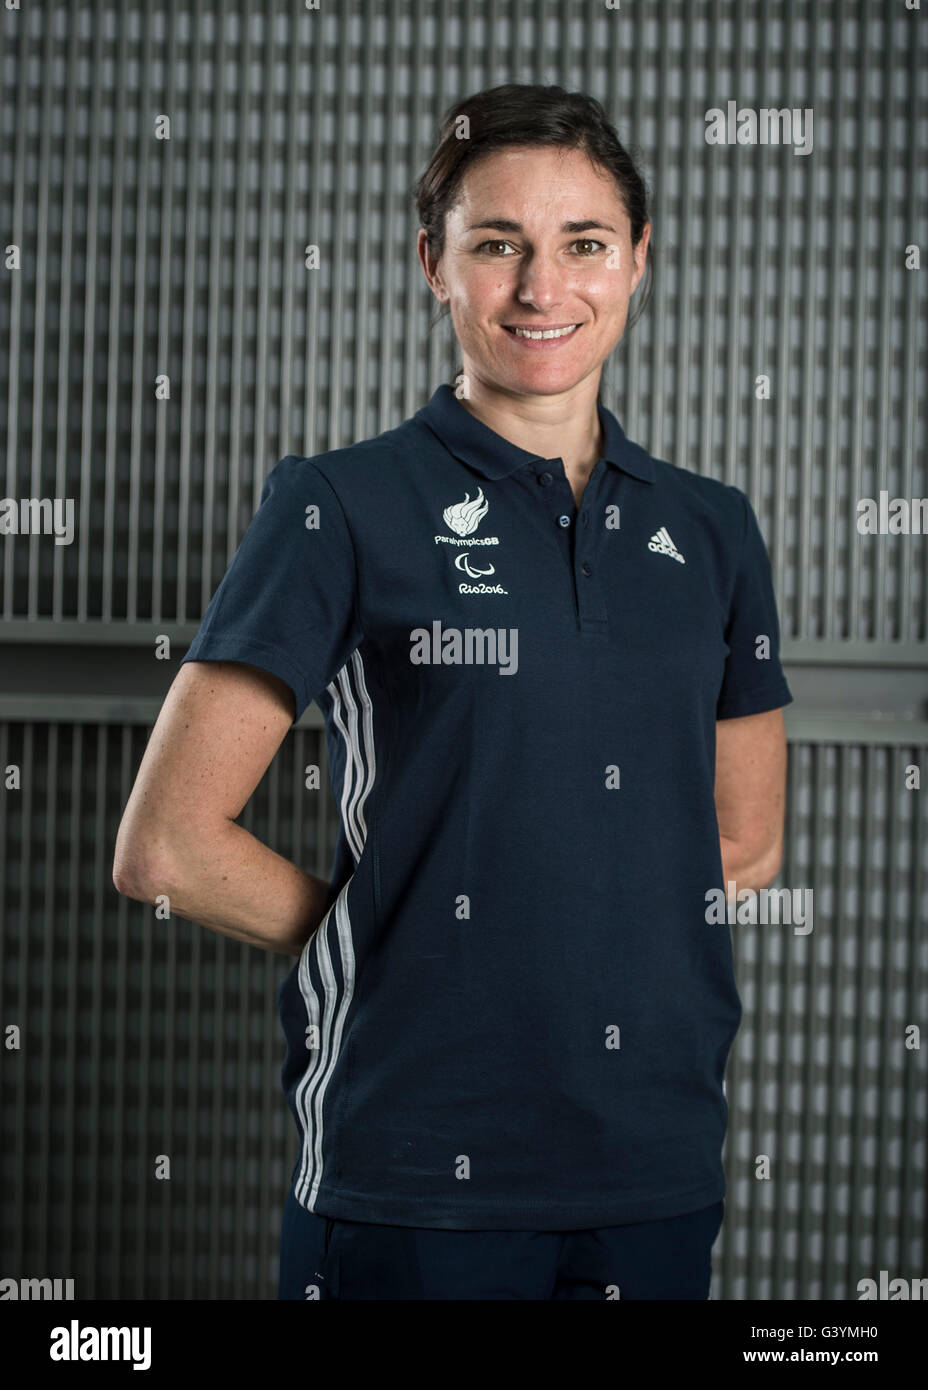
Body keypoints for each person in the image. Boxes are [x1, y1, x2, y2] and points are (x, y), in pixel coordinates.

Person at [113, 83, 792, 1300]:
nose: (542, 289)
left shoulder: (716, 529)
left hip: (654, 1160)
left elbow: (741, 841)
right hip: (414, 1165)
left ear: (638, 258)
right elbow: (168, 845)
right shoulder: (337, 503)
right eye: (497, 246)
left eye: (583, 243)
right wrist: (406, 941)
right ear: (433, 262)